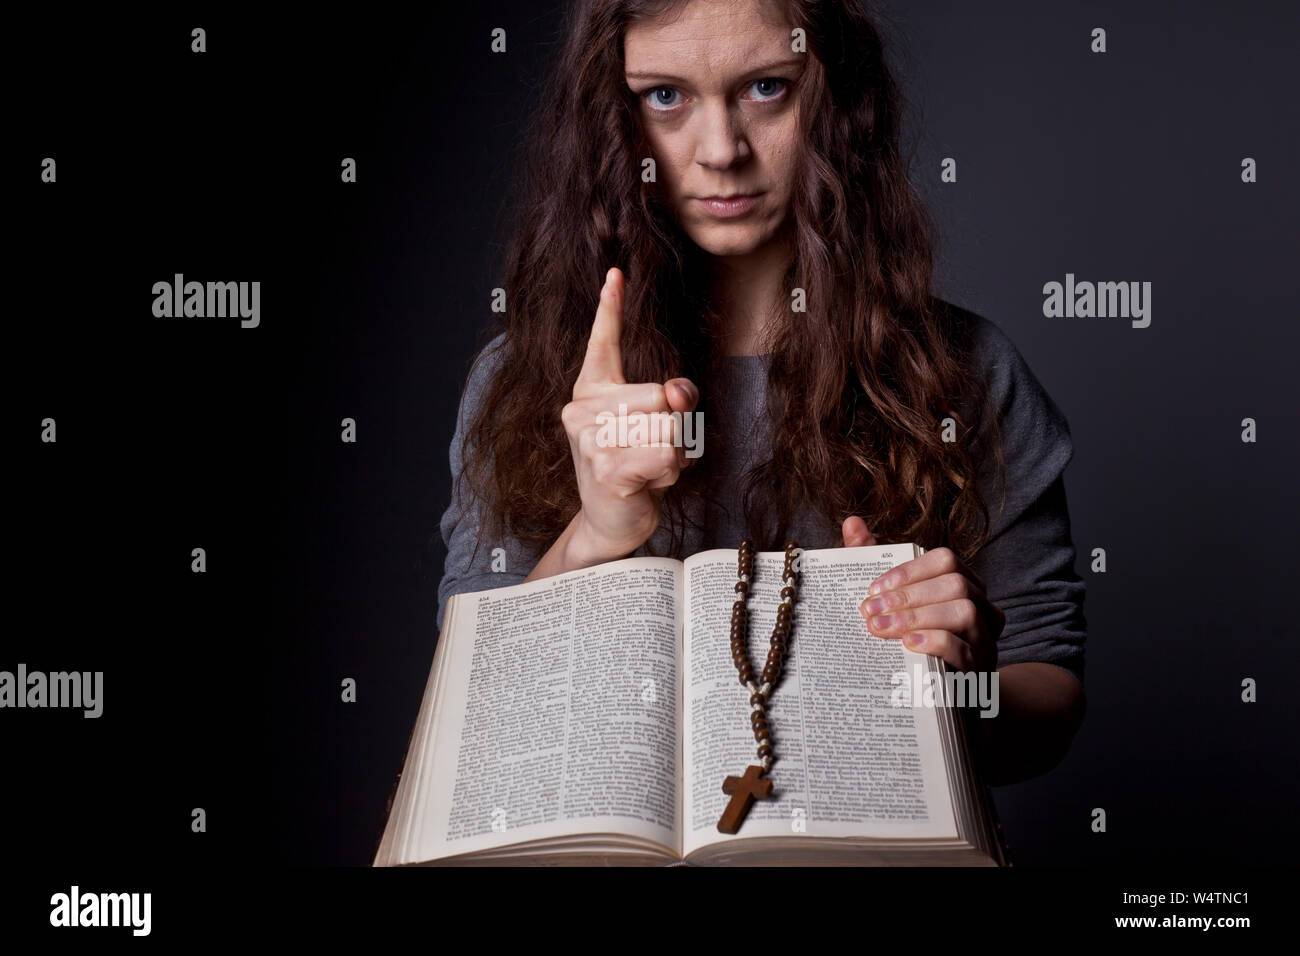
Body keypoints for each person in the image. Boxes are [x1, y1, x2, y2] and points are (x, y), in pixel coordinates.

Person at [437, 0, 1086, 785]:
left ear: (836, 96)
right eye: (665, 97)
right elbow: (474, 715)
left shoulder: (967, 369)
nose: (720, 151)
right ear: (615, 116)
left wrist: (957, 687)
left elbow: (1048, 687)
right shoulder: (524, 376)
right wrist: (594, 534)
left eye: (766, 88)